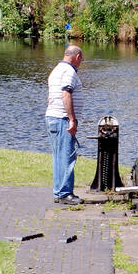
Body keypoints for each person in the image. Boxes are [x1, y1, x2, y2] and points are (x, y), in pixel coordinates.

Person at [46, 45, 84, 202]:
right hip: (62, 119)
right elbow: (66, 94)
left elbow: (50, 97)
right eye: (81, 59)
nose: (81, 63)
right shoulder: (69, 72)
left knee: (58, 156)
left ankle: (59, 191)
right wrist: (72, 119)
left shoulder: (56, 70)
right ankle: (64, 193)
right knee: (67, 156)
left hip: (52, 117)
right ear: (77, 57)